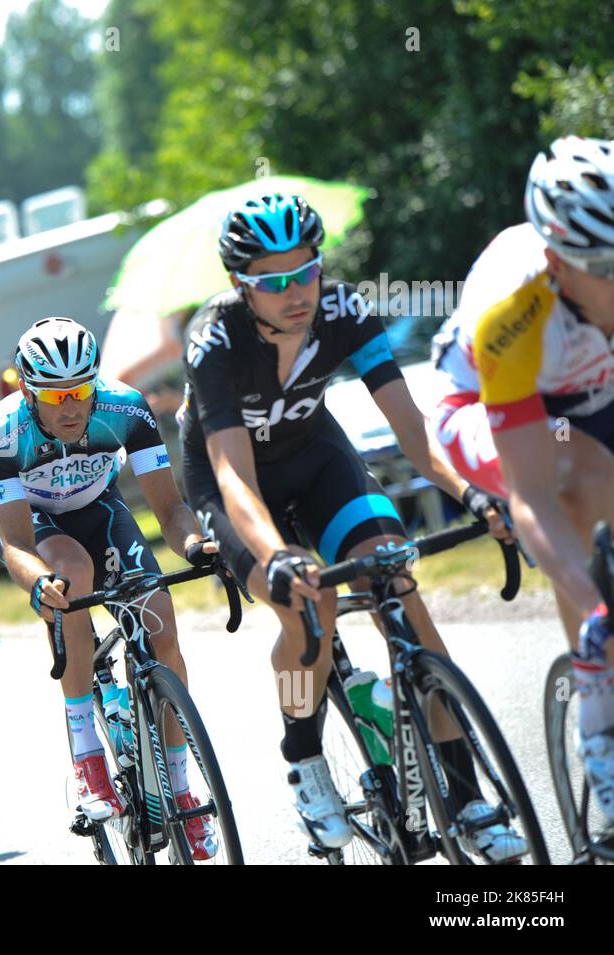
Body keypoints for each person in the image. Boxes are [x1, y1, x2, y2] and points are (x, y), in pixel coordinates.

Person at [180, 192, 524, 860]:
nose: (296, 291)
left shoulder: (342, 310)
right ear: (238, 286)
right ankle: (304, 759)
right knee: (307, 604)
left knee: (395, 575)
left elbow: (413, 435)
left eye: (306, 270)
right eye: (273, 281)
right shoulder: (214, 341)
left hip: (316, 459)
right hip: (234, 485)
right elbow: (232, 477)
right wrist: (279, 555)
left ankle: (467, 798)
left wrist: (472, 494)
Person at [0, 317, 220, 857]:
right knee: (74, 573)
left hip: (98, 509)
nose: (70, 406)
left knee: (160, 621)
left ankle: (180, 789)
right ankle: (87, 759)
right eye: (56, 395)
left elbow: (171, 510)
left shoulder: (125, 408)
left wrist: (198, 547)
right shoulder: (2, 433)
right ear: (26, 389)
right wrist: (42, 585)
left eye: (81, 391)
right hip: (32, 524)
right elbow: (15, 544)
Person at [429, 136, 614, 827]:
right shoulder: (515, 306)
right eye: (606, 267)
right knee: (581, 478)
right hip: (482, 406)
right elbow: (532, 492)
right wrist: (597, 606)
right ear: (560, 261)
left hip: (591, 388)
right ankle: (599, 716)